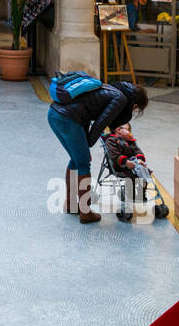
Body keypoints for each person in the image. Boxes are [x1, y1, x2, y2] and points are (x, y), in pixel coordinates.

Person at [48, 79, 149, 223]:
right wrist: (88, 143)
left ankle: (70, 204)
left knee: (76, 160)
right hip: (68, 119)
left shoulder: (112, 89)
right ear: (135, 105)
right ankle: (85, 212)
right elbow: (100, 124)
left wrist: (85, 143)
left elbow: (86, 112)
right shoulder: (120, 99)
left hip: (55, 114)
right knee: (83, 163)